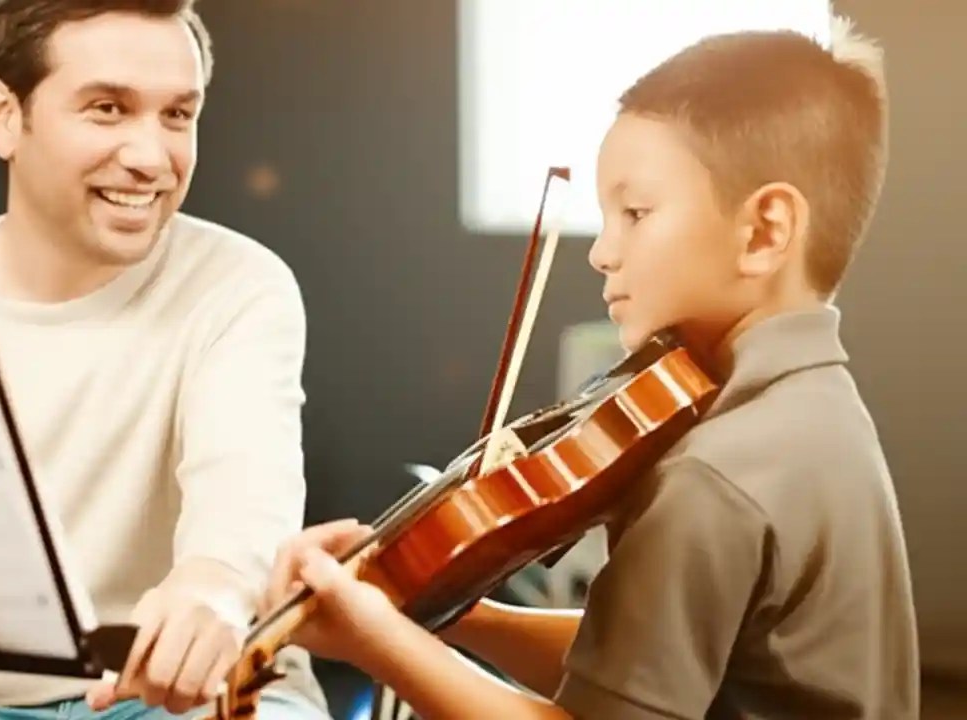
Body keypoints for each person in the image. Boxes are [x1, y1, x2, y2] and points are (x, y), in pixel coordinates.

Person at [258, 14, 920, 720]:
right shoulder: (817, 410)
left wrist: (376, 639)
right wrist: (456, 613)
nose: (602, 252)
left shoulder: (715, 476)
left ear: (763, 232)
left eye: (634, 212)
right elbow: (652, 658)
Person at [0, 1, 330, 719]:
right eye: (108, 109)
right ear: (4, 114)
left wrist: (213, 589)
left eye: (177, 115)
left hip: (193, 697)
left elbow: (242, 506)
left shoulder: (240, 285)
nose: (150, 157)